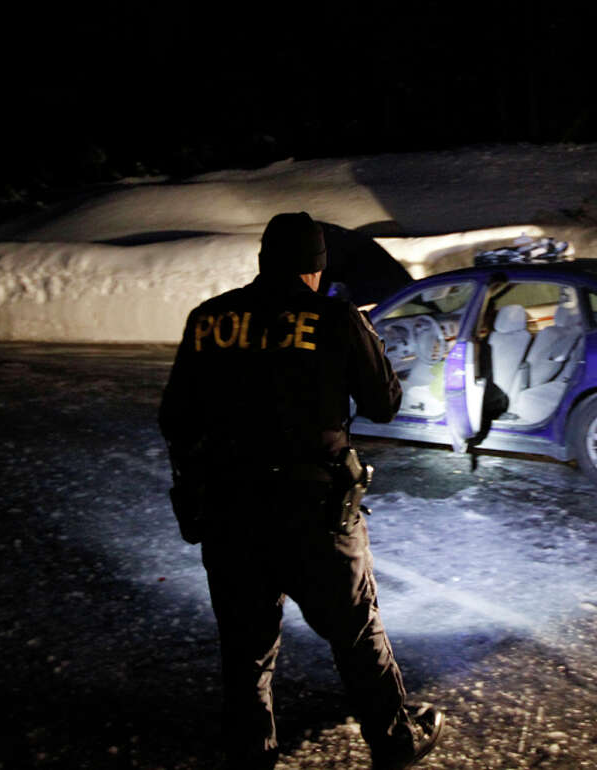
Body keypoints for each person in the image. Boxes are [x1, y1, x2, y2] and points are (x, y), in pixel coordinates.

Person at [158, 212, 444, 770]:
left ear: (264, 261)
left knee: (245, 648)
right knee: (357, 635)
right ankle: (394, 741)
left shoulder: (209, 319)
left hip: (230, 511)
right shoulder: (335, 319)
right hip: (314, 514)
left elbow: (175, 418)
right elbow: (385, 404)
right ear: (314, 270)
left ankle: (251, 751)